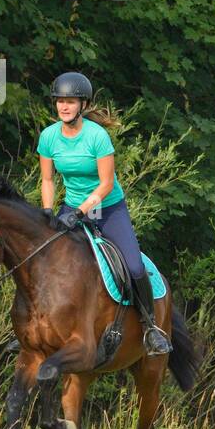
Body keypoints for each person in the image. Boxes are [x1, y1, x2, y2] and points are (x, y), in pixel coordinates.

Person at [37, 72, 171, 354]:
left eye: (70, 101)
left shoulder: (96, 136)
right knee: (42, 258)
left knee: (134, 266)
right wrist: (48, 211)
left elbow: (106, 183)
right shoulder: (49, 137)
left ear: (82, 105)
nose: (64, 106)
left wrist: (82, 211)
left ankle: (150, 328)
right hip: (71, 207)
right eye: (60, 101)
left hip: (107, 208)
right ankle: (34, 325)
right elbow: (48, 180)